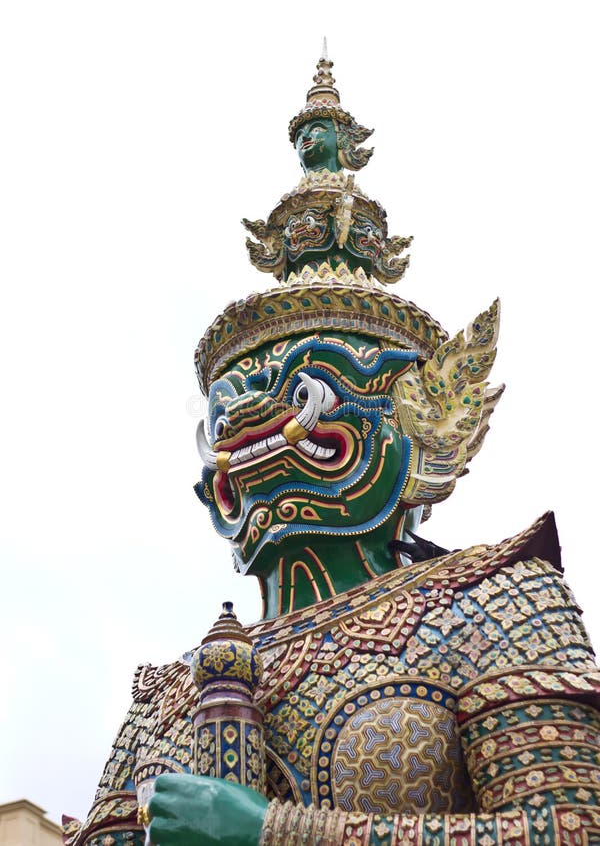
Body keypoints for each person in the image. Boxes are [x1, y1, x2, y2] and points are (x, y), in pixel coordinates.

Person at [65, 51, 600, 846]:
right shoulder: (160, 701)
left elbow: (569, 828)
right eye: (229, 408)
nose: (254, 416)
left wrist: (276, 831)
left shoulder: (496, 601)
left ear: (419, 422)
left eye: (307, 386)